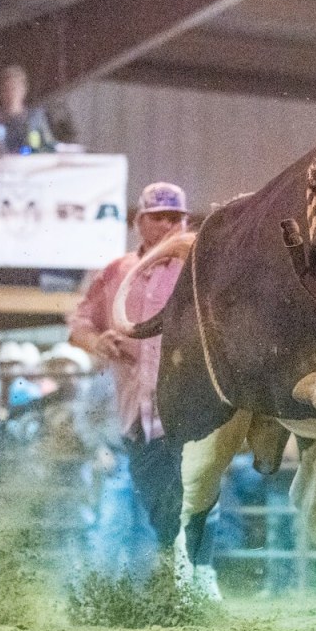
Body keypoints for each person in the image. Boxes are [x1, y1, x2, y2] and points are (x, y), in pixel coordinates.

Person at [68, 182, 219, 593]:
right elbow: (80, 324)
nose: (171, 225)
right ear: (141, 223)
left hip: (189, 410)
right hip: (138, 413)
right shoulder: (117, 273)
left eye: (178, 217)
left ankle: (199, 581)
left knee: (197, 496)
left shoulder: (197, 269)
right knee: (162, 506)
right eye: (161, 217)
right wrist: (97, 342)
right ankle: (178, 582)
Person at [0, 65, 56, 154]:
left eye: (14, 88)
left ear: (24, 90)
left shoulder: (36, 117)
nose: (11, 93)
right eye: (6, 89)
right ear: (1, 92)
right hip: (1, 165)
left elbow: (50, 146)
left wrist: (28, 151)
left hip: (31, 164)